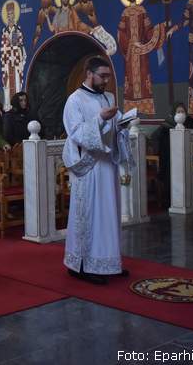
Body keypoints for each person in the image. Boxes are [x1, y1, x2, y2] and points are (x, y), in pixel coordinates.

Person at [62, 57, 133, 285]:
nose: (106, 80)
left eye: (108, 77)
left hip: (107, 166)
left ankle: (108, 262)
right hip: (90, 167)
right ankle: (81, 265)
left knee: (109, 214)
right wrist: (100, 118)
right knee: (90, 215)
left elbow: (113, 127)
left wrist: (122, 125)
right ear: (89, 74)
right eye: (102, 76)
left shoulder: (108, 96)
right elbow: (76, 132)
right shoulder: (75, 100)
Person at [155, 102, 193, 207]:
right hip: (170, 157)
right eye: (178, 112)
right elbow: (160, 140)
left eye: (182, 112)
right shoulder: (167, 124)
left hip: (189, 156)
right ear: (174, 113)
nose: (180, 114)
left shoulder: (190, 122)